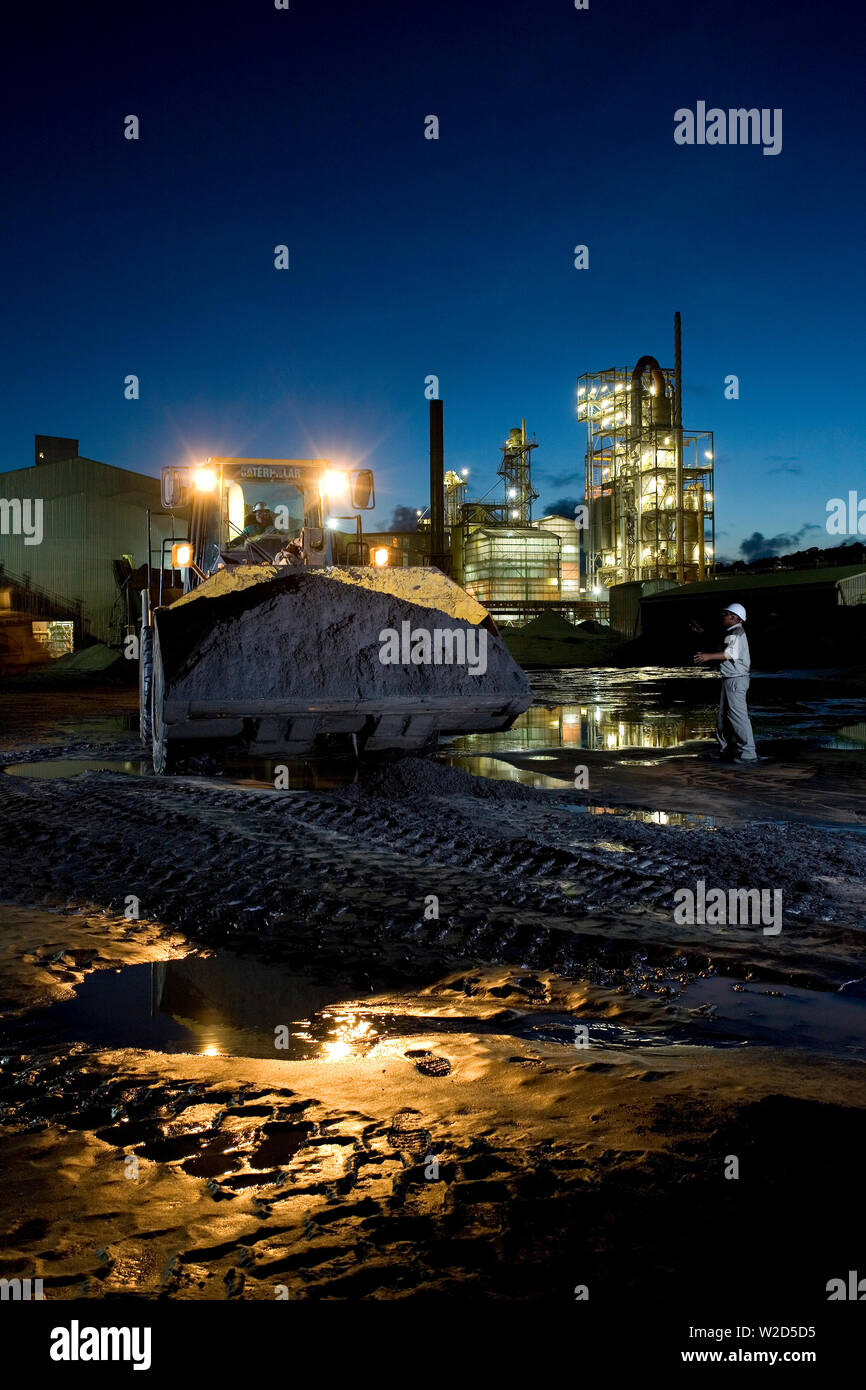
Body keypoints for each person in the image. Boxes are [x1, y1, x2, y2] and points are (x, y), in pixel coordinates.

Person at [694, 603, 758, 765]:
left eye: (726, 613)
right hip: (730, 679)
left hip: (736, 680)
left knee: (738, 718)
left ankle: (748, 754)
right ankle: (728, 750)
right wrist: (702, 633)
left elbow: (730, 653)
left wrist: (708, 656)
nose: (723, 616)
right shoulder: (731, 632)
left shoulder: (737, 632)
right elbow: (723, 644)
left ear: (734, 618)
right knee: (724, 718)